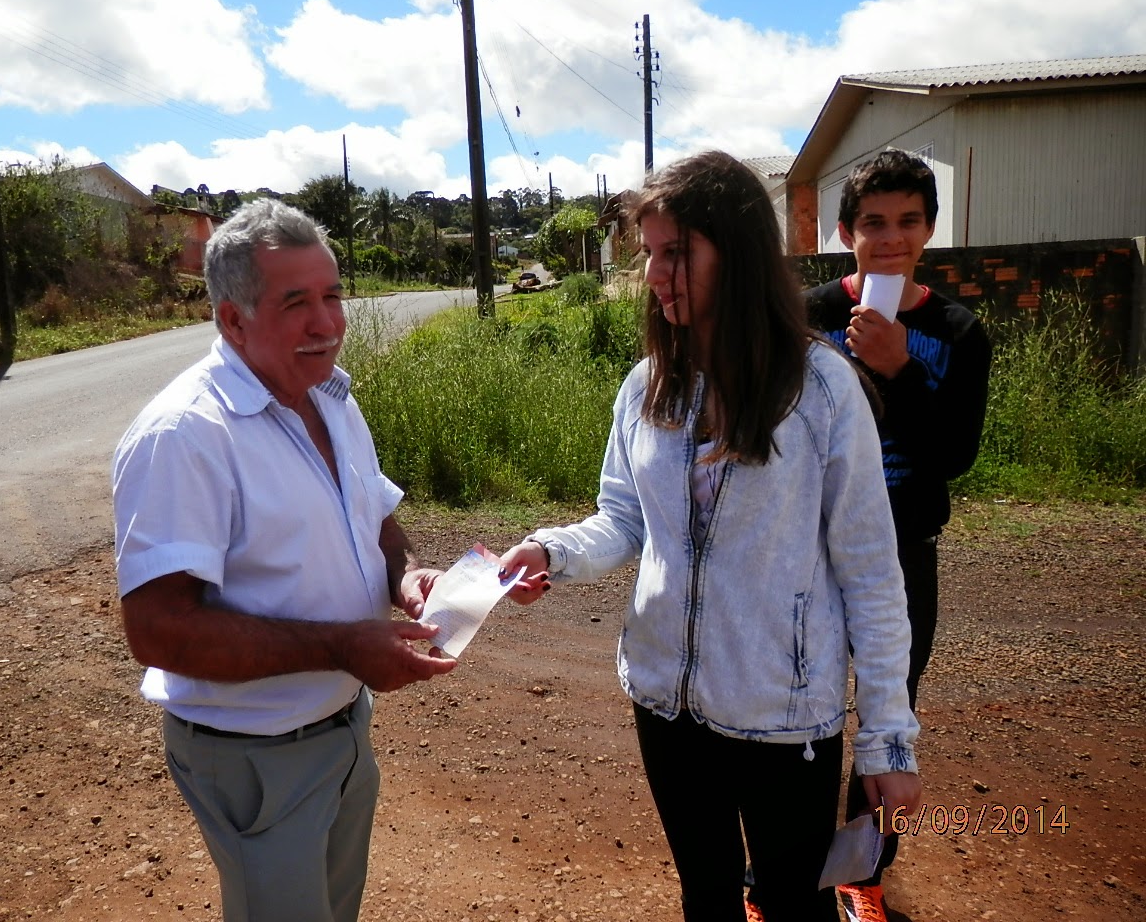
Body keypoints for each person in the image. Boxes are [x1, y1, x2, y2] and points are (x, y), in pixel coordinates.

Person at [497, 151, 921, 922]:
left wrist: (888, 738)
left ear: (738, 251)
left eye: (676, 252)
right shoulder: (646, 384)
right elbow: (622, 518)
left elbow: (869, 570)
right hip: (665, 703)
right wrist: (551, 551)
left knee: (794, 906)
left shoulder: (821, 389)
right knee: (707, 896)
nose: (655, 275)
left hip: (784, 712)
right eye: (650, 253)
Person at [111, 198, 458, 922]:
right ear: (232, 320)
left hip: (343, 728)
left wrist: (407, 577)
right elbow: (159, 631)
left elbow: (376, 519)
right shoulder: (184, 435)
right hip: (253, 754)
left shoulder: (330, 397)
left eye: (333, 296)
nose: (326, 323)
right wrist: (341, 646)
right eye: (296, 302)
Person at [804, 148, 991, 922]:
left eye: (908, 221)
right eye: (873, 222)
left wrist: (900, 368)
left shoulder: (958, 332)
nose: (890, 238)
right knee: (800, 714)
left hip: (906, 551)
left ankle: (861, 876)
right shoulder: (809, 317)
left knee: (888, 720)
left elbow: (955, 456)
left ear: (930, 230)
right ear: (845, 232)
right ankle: (779, 873)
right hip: (807, 553)